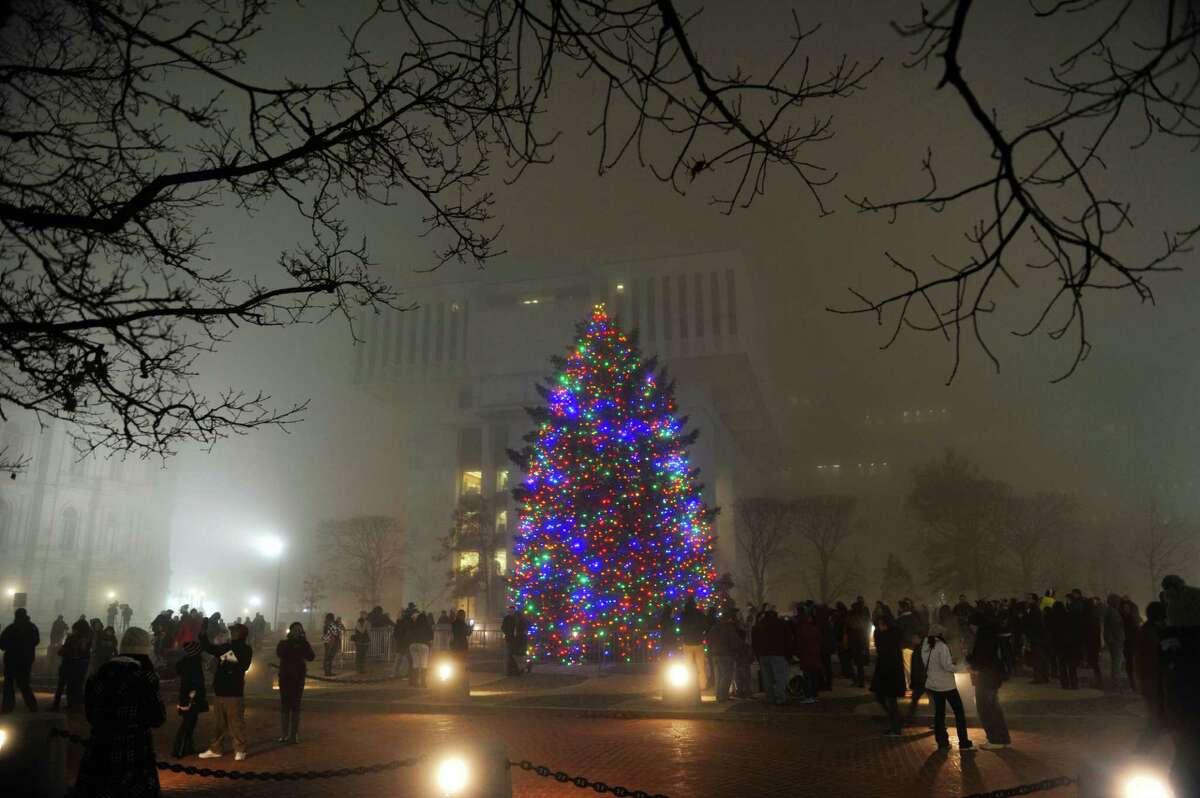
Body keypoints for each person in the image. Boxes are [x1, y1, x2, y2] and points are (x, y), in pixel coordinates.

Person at [73, 627, 166, 797]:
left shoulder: (97, 676)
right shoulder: (145, 678)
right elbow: (158, 718)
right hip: (135, 751)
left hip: (99, 749)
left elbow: (90, 715)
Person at [197, 621, 253, 761]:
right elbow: (209, 648)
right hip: (221, 690)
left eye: (235, 631)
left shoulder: (244, 648)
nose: (232, 633)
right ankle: (216, 748)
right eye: (232, 631)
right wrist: (203, 634)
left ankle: (240, 749)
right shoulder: (228, 647)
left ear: (241, 634)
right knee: (218, 723)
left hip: (234, 692)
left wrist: (226, 656)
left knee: (236, 723)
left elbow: (243, 666)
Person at [921, 623, 973, 751]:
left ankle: (942, 742)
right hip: (946, 685)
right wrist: (962, 668)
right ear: (940, 634)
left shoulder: (925, 645)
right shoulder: (941, 646)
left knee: (939, 713)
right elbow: (947, 666)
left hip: (933, 685)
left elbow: (929, 663)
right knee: (959, 713)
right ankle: (964, 742)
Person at [967, 612, 1011, 750]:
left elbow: (981, 658)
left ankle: (994, 739)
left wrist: (971, 664)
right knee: (994, 707)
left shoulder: (983, 637)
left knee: (985, 708)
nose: (971, 629)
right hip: (994, 677)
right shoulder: (992, 634)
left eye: (971, 626)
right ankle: (1002, 738)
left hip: (985, 678)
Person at [1133, 601, 1166, 754]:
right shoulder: (1150, 633)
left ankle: (1142, 753)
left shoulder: (1147, 631)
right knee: (1156, 721)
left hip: (1151, 681)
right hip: (1153, 681)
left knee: (1157, 720)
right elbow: (1153, 659)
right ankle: (1141, 753)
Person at [276, 622, 315, 744]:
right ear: (290, 631)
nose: (298, 632)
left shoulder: (304, 644)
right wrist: (295, 645)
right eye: (296, 629)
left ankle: (294, 734)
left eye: (300, 630)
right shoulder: (284, 643)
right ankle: (284, 734)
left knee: (296, 706)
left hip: (298, 679)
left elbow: (311, 657)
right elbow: (280, 653)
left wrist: (303, 642)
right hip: (285, 678)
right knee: (285, 706)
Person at [172, 641, 208, 758]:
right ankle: (179, 749)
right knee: (188, 723)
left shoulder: (186, 662)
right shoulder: (193, 663)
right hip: (191, 697)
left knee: (189, 722)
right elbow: (196, 681)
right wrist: (194, 694)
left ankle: (186, 747)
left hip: (187, 696)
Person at [0, 607, 40, 713]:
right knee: (24, 684)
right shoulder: (32, 628)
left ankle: (7, 707)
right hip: (25, 661)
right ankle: (32, 705)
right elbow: (36, 641)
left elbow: (2, 645)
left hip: (11, 661)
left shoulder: (10, 628)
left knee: (8, 684)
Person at [751, 607, 790, 706]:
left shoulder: (758, 626)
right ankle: (781, 698)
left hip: (763, 655)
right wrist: (788, 654)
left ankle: (770, 698)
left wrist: (757, 654)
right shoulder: (781, 625)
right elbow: (787, 639)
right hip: (778, 653)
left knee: (767, 678)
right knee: (779, 677)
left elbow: (754, 642)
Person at [53, 618, 93, 711]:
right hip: (74, 664)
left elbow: (78, 650)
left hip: (72, 664)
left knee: (70, 685)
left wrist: (65, 650)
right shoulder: (84, 638)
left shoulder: (80, 639)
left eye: (75, 629)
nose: (73, 630)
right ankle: (72, 704)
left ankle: (70, 704)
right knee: (73, 685)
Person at [707, 608, 742, 702]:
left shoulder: (714, 628)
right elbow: (735, 642)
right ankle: (723, 696)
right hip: (726, 654)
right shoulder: (728, 628)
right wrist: (737, 649)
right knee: (726, 676)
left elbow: (708, 640)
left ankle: (719, 696)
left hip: (715, 654)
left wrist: (711, 650)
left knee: (719, 676)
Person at [679, 597, 707, 687]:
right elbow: (705, 625)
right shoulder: (699, 614)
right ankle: (702, 684)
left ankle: (688, 684)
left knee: (688, 665)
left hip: (687, 643)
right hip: (698, 642)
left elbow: (681, 627)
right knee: (701, 666)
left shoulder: (684, 614)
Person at [409, 612, 433, 687]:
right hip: (423, 645)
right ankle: (423, 682)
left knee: (415, 664)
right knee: (424, 664)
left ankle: (415, 682)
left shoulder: (413, 625)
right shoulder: (427, 626)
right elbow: (431, 637)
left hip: (412, 645)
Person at [320, 613, 341, 677]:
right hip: (331, 642)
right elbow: (336, 632)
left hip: (328, 642)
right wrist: (337, 623)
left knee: (328, 657)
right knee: (329, 658)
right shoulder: (330, 624)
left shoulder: (327, 624)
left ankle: (328, 671)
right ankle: (327, 672)